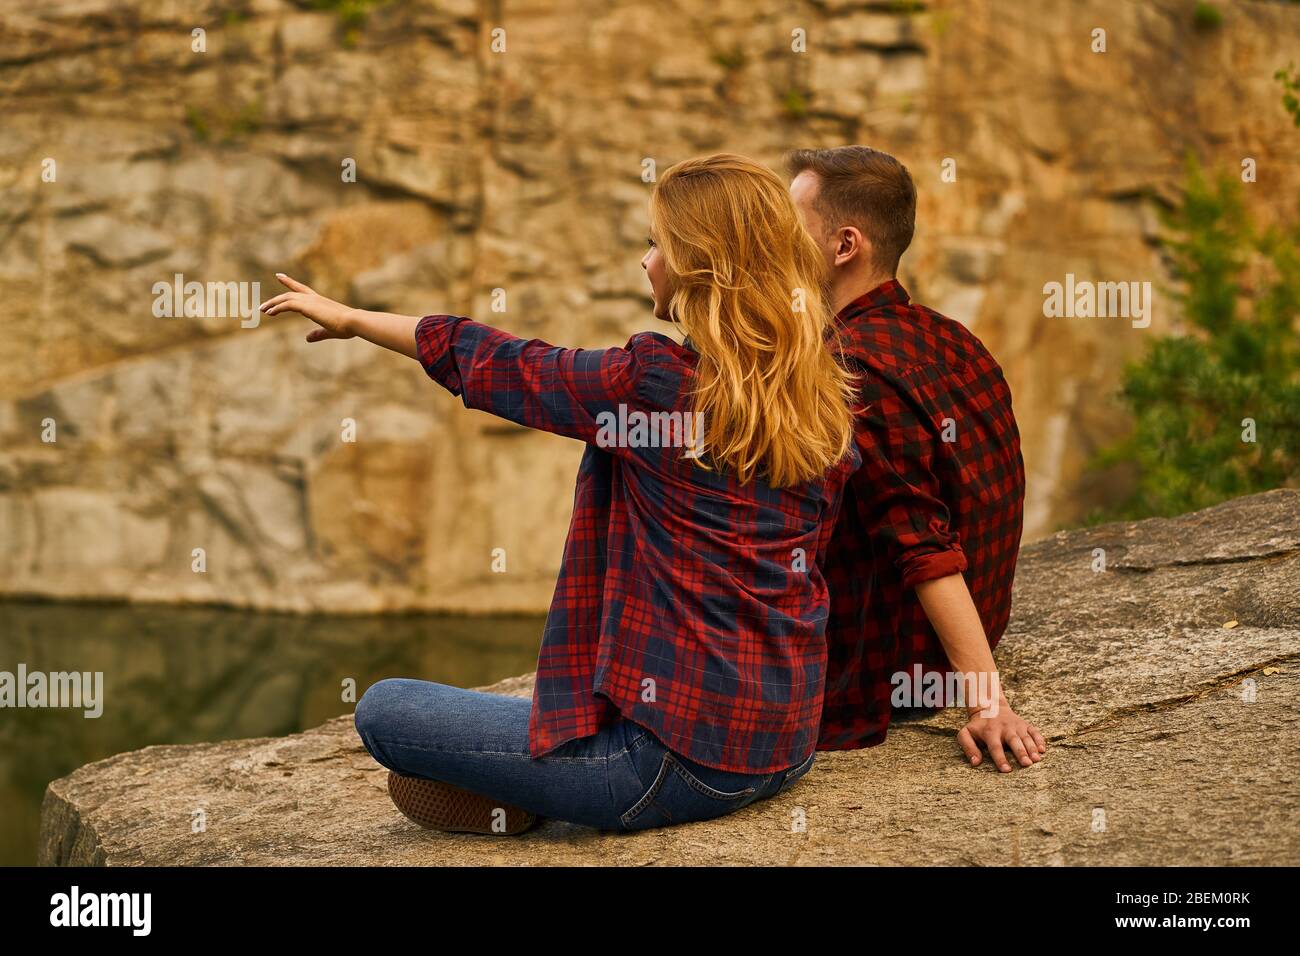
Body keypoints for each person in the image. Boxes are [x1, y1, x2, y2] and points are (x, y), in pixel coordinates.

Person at [259, 153, 861, 834]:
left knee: (385, 710)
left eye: (658, 243)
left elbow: (498, 363)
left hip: (663, 765)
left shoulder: (654, 385)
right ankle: (538, 784)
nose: (646, 260)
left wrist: (355, 319)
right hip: (784, 745)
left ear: (700, 265)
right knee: (536, 715)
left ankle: (542, 795)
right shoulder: (822, 397)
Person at [787, 145, 1047, 772]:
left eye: (789, 227)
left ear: (845, 245)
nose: (774, 242)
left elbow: (922, 543)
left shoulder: (849, 369)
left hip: (890, 667)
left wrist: (986, 701)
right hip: (966, 630)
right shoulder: (949, 335)